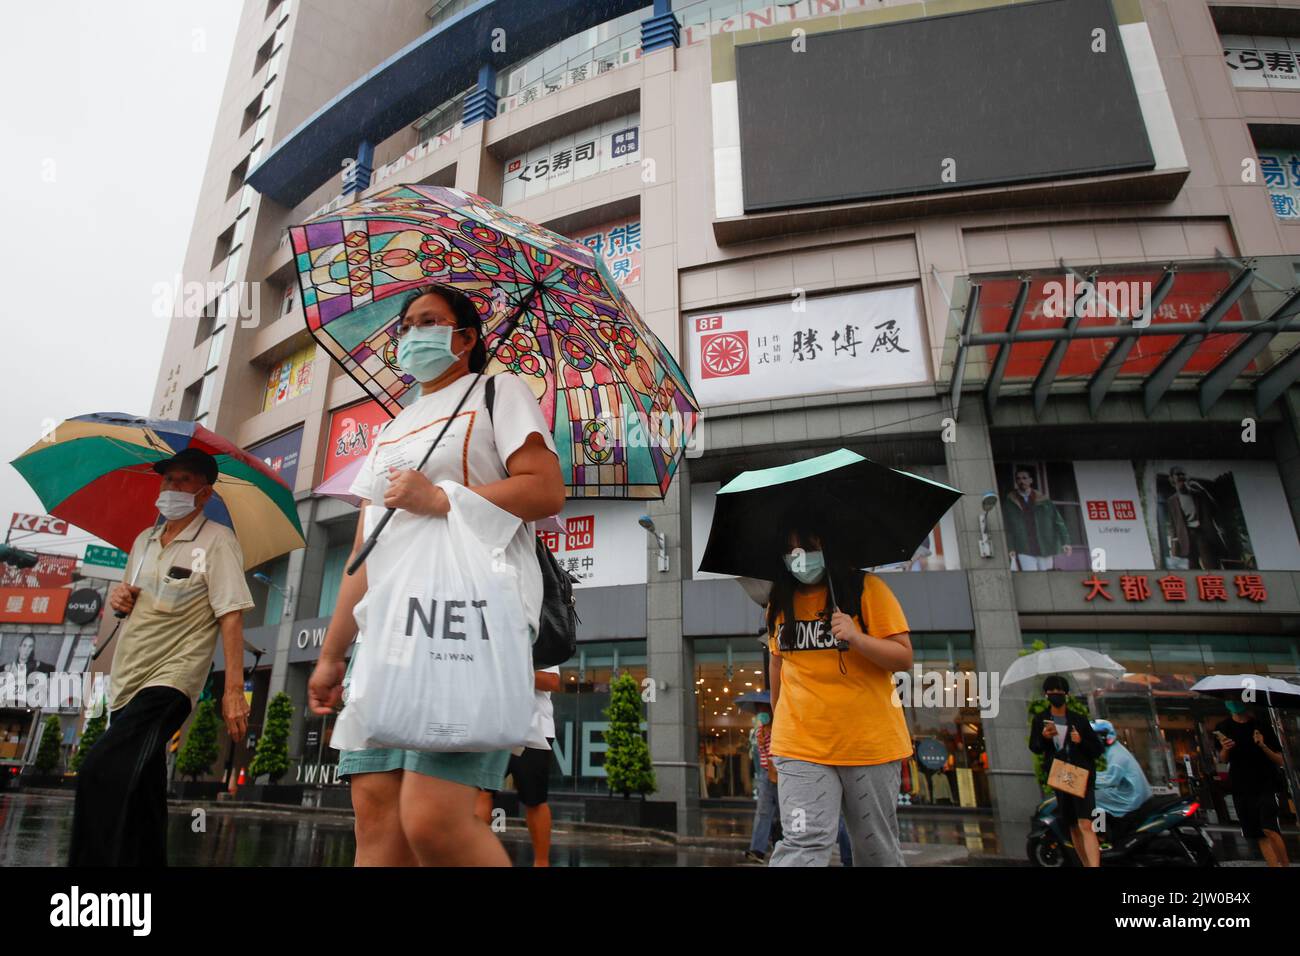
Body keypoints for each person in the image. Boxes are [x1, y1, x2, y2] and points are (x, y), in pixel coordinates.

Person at [308, 281, 564, 867]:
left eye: (429, 321)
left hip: (467, 624)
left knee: (434, 821)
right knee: (376, 823)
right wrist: (331, 653)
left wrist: (443, 497)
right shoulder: (392, 428)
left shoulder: (501, 392)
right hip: (389, 631)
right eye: (406, 326)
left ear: (465, 337)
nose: (413, 335)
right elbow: (366, 547)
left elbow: (545, 490)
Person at [69, 448, 254, 866]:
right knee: (143, 792)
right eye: (167, 480)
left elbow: (231, 617)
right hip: (127, 679)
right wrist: (120, 599)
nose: (171, 488)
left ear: (204, 493)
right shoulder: (144, 541)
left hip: (171, 681)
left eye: (183, 481)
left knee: (101, 768)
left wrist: (233, 692)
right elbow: (131, 602)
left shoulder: (218, 542)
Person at [765, 514, 913, 867]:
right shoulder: (779, 602)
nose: (799, 556)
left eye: (809, 547)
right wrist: (778, 728)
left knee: (874, 847)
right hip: (800, 746)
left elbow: (903, 657)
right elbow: (777, 665)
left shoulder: (867, 590)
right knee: (802, 842)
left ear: (828, 547)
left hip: (868, 744)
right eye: (791, 550)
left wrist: (857, 637)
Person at [1028, 676, 1104, 867]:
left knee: (1085, 823)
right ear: (1046, 694)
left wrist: (1081, 741)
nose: (1055, 695)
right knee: (1072, 825)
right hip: (1060, 774)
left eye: (1059, 691)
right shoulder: (1041, 720)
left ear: (1066, 694)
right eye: (1051, 691)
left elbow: (1097, 749)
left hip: (1081, 774)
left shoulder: (1078, 720)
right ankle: (1085, 863)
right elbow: (1035, 747)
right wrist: (1045, 737)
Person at [1215, 699, 1290, 867]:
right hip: (1241, 786)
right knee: (1258, 833)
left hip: (1265, 784)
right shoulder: (1223, 728)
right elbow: (1222, 758)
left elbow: (1280, 760)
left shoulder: (1261, 726)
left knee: (1269, 828)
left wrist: (1263, 746)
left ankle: (1285, 865)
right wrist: (1225, 748)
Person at [507, 665, 561, 866]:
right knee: (482, 792)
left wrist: (509, 666)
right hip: (492, 724)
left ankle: (541, 863)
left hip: (534, 729)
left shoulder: (541, 637)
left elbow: (551, 681)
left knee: (534, 799)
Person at [1003, 467, 1072, 571]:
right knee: (1031, 578)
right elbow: (1008, 527)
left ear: (1031, 480)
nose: (1021, 481)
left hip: (1045, 546)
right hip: (1024, 547)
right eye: (1018, 478)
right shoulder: (1010, 502)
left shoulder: (1044, 500)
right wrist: (1011, 547)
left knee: (1047, 577)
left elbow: (1058, 521)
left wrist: (1065, 542)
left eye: (1024, 478)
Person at [1091, 719, 1152, 835]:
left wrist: (1081, 779)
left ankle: (1101, 836)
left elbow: (1108, 780)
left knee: (1092, 800)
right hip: (1126, 793)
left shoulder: (1116, 755)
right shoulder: (1109, 751)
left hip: (1131, 798)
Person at [1164, 466, 1226, 570]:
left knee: (1211, 565)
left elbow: (1214, 509)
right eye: (1178, 474)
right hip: (1185, 536)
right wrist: (1174, 542)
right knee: (1192, 568)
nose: (1181, 477)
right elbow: (1173, 523)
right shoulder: (1171, 501)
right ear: (1172, 479)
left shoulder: (1199, 494)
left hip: (1202, 534)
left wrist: (1202, 489)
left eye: (1183, 474)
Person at [744, 702, 777, 863]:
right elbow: (761, 755)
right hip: (766, 774)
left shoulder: (778, 729)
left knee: (782, 813)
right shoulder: (759, 732)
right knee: (763, 811)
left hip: (780, 774)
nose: (761, 714)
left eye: (764, 711)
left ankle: (781, 846)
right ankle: (758, 850)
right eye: (759, 712)